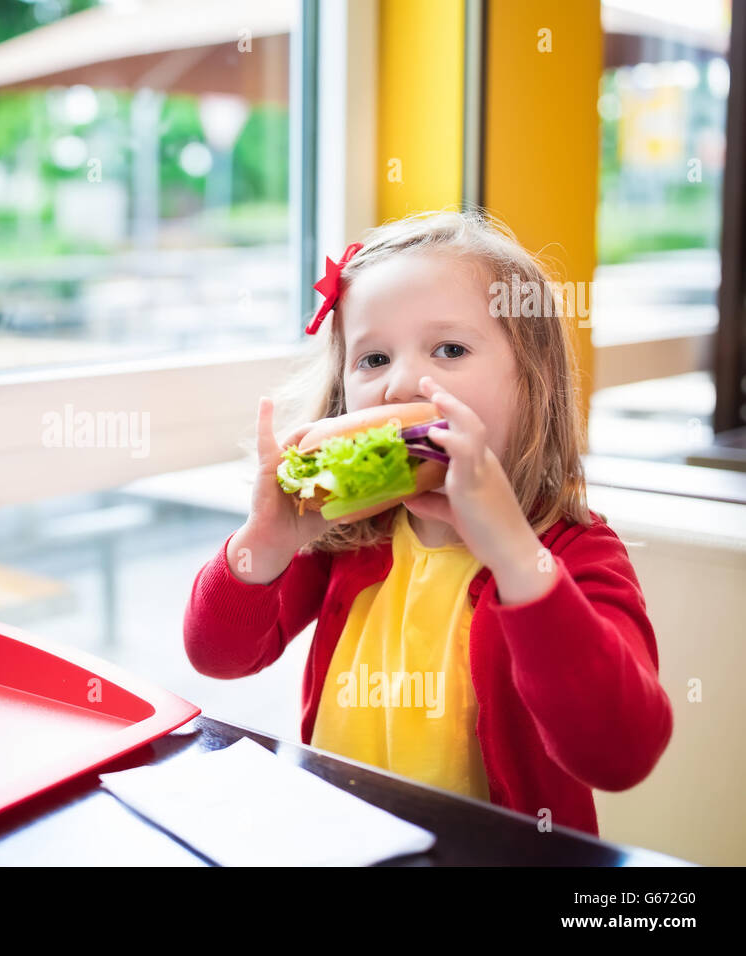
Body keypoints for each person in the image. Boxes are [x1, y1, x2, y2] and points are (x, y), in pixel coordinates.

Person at [183, 209, 673, 836]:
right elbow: (218, 656)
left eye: (449, 349)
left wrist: (514, 554)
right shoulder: (349, 535)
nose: (403, 383)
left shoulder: (572, 553)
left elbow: (621, 752)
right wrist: (264, 543)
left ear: (533, 385)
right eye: (373, 358)